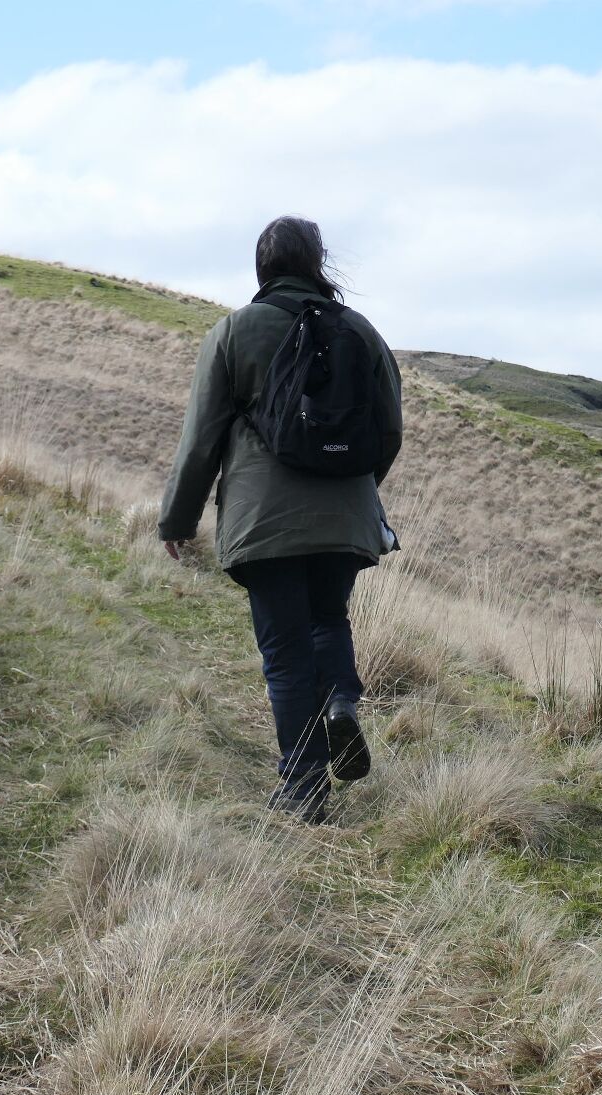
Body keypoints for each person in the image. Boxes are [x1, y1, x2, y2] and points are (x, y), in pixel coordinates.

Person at [156, 216, 403, 824]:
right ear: (318, 263)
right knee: (327, 618)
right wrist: (354, 492)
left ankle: (303, 786)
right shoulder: (361, 332)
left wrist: (177, 519)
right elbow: (389, 432)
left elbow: (200, 439)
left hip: (263, 522)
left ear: (261, 268)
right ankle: (343, 701)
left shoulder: (235, 331)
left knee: (286, 653)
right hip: (345, 517)